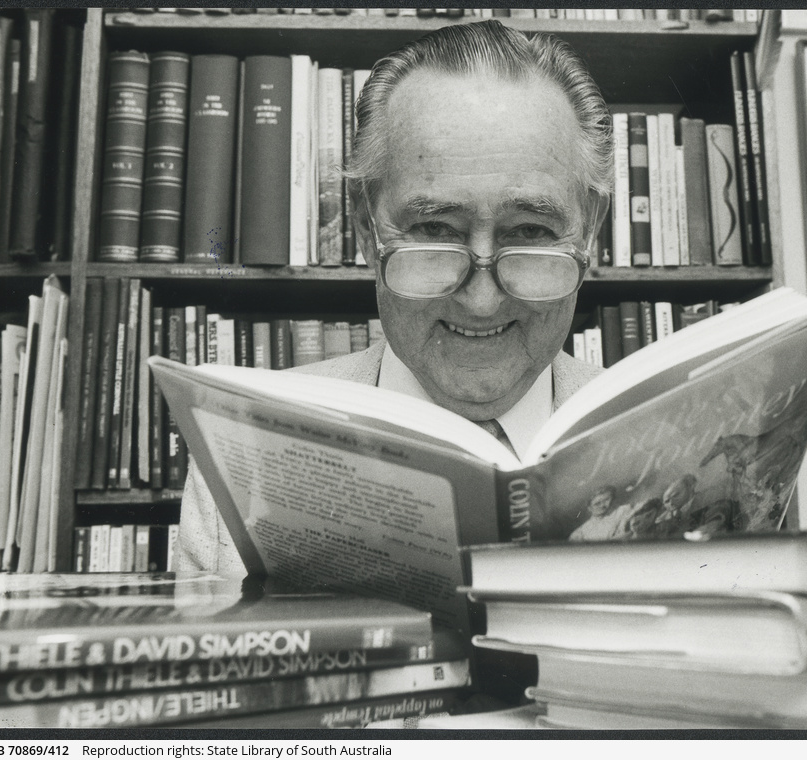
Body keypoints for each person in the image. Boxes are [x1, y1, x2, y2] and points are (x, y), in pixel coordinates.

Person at [177, 20, 613, 574]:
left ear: (588, 229)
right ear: (366, 228)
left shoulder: (672, 440)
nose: (482, 301)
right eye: (435, 230)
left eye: (530, 231)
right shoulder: (241, 450)